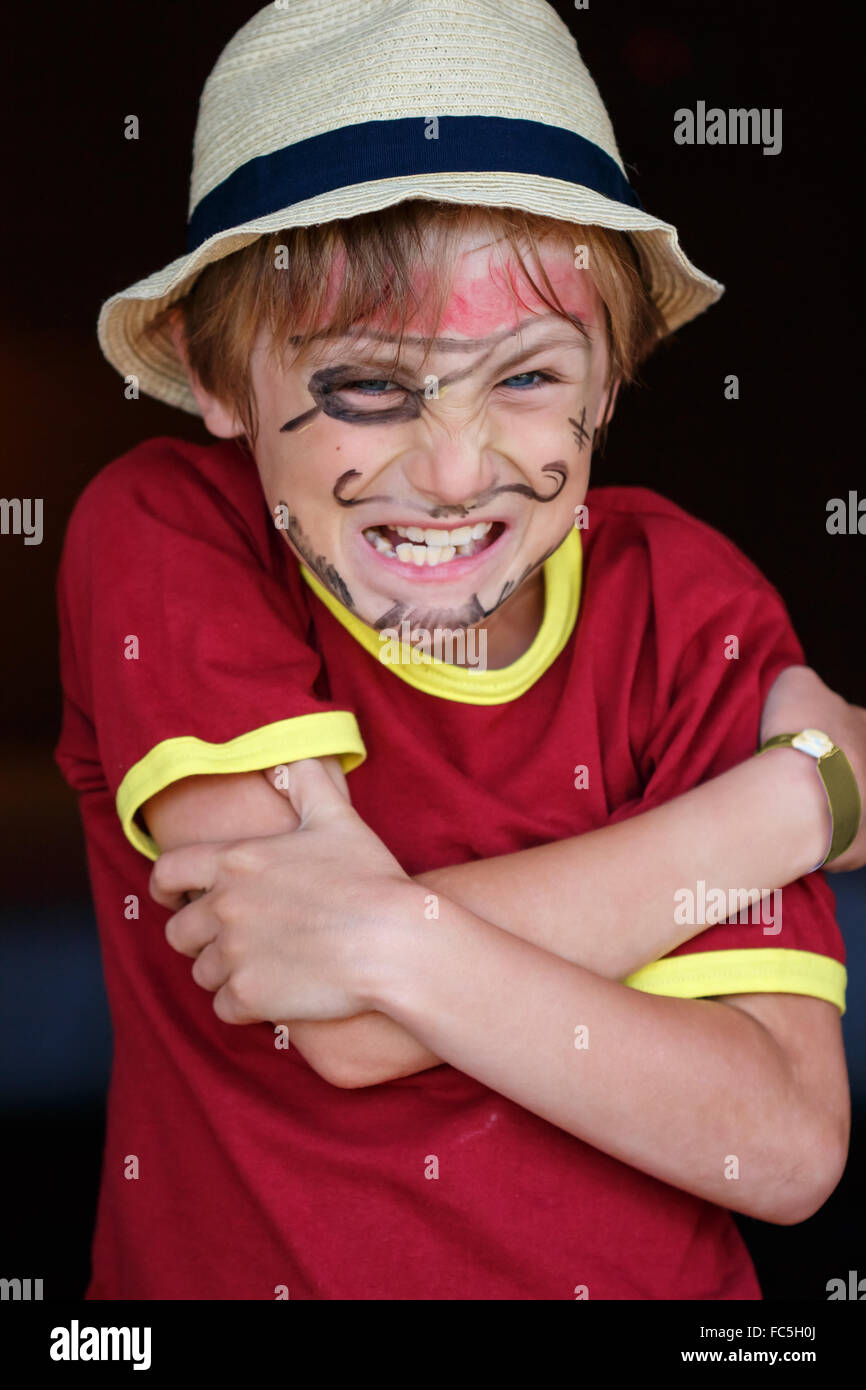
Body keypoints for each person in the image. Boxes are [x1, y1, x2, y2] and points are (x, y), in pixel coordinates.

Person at [56, 0, 864, 1300]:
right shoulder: (167, 526)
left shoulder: (684, 599)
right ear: (217, 379)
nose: (448, 472)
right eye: (365, 386)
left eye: (529, 378)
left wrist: (386, 938)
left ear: (612, 379)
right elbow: (338, 1020)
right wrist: (793, 800)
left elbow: (775, 1144)